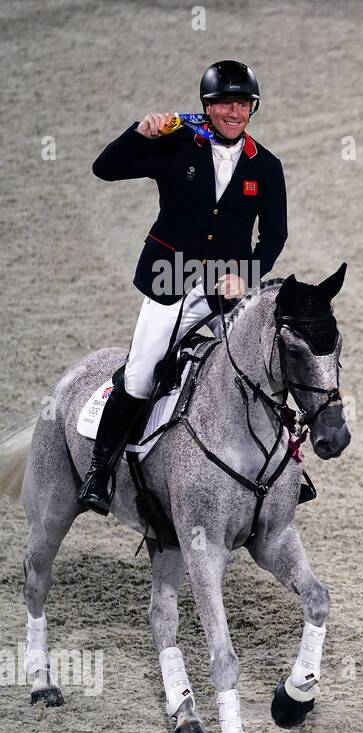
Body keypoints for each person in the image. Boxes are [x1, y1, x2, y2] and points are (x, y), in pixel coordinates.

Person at [79, 60, 287, 514]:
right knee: (140, 373)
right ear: (207, 108)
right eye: (225, 104)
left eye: (243, 104)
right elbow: (104, 168)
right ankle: (100, 470)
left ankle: (289, 470)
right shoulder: (176, 144)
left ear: (252, 108)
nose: (235, 112)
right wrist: (140, 133)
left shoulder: (266, 167)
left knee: (263, 366)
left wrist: (247, 275)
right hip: (168, 279)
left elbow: (274, 237)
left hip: (226, 289)